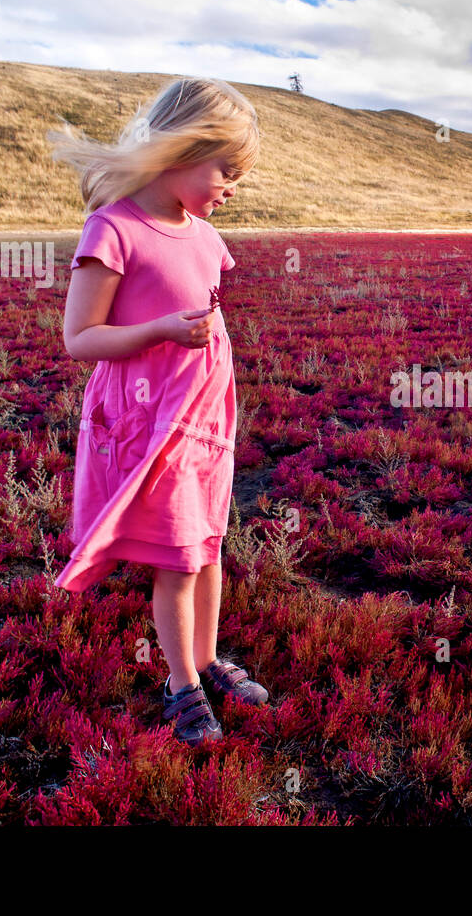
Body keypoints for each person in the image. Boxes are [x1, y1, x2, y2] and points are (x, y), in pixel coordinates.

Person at [48, 77, 270, 746]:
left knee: (206, 548)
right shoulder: (113, 228)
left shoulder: (204, 234)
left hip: (205, 425)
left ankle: (206, 660)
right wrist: (164, 331)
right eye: (225, 169)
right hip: (152, 426)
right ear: (180, 149)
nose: (233, 186)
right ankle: (182, 687)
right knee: (176, 558)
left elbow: (206, 320)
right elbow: (80, 338)